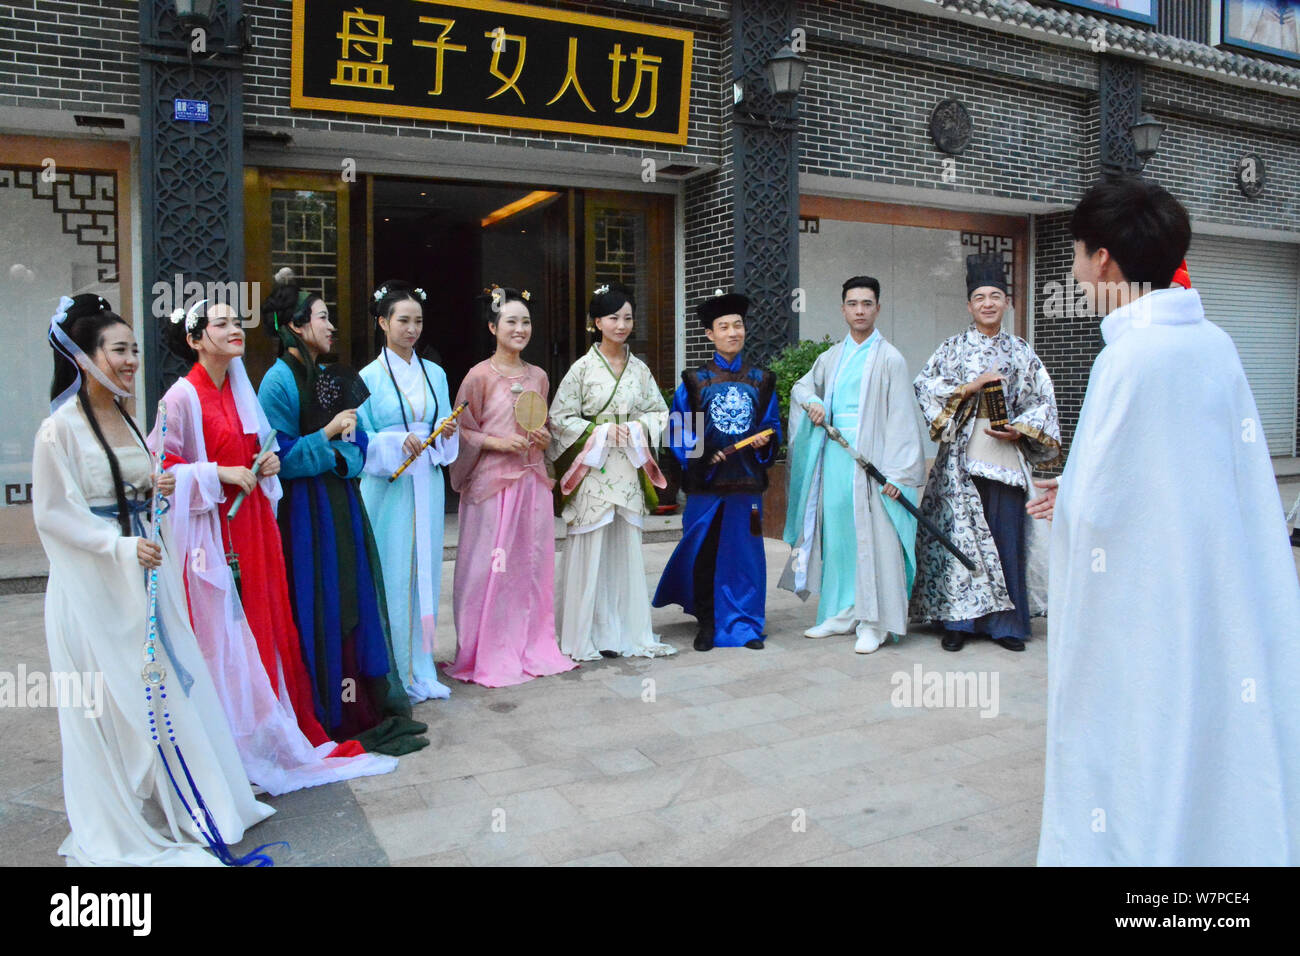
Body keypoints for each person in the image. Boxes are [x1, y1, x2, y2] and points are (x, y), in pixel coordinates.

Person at [1030, 176, 1300, 866]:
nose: (1075, 271)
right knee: (1206, 718)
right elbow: (1202, 476)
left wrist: (1078, 502)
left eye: (1078, 255)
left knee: (1141, 731)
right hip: (1210, 585)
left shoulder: (1128, 358)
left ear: (1107, 263)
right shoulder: (1214, 344)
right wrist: (1082, 487)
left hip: (1145, 603)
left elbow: (1110, 506)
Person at [33, 293, 273, 865]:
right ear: (83, 356)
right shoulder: (58, 429)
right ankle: (124, 809)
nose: (130, 360)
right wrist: (113, 545)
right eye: (118, 350)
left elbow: (141, 481)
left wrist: (154, 490)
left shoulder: (126, 415)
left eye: (133, 350)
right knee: (109, 703)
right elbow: (54, 514)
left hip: (145, 572)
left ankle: (188, 800)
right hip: (94, 584)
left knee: (167, 683)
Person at [154, 297, 396, 792]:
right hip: (210, 532)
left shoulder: (243, 390)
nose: (234, 329)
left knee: (265, 624)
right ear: (195, 339)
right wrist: (217, 472)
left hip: (256, 526)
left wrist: (265, 466)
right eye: (219, 324)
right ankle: (224, 740)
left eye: (235, 321)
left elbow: (271, 451)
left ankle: (265, 730)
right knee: (220, 634)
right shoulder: (180, 398)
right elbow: (161, 469)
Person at [257, 276, 428, 755]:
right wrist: (329, 436)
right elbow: (277, 456)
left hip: (341, 503)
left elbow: (361, 444)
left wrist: (340, 453)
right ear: (295, 325)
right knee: (317, 598)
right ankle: (323, 706)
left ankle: (355, 701)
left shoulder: (329, 376)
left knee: (349, 597)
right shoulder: (276, 381)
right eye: (322, 317)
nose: (331, 326)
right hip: (305, 514)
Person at [910, 253, 1060, 652]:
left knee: (1005, 537)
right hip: (961, 458)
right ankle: (958, 622)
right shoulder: (952, 348)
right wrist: (972, 387)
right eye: (980, 297)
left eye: (996, 295)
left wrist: (1020, 429)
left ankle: (1006, 625)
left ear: (1007, 302)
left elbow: (1043, 400)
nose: (988, 303)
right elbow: (925, 385)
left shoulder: (1022, 351)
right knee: (960, 539)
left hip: (1006, 456)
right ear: (969, 305)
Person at [781, 276, 927, 654]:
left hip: (874, 464)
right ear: (843, 308)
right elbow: (801, 387)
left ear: (877, 308)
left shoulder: (890, 358)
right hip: (835, 461)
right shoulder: (831, 357)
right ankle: (843, 611)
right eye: (852, 303)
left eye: (867, 303)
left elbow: (902, 421)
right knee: (842, 538)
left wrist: (899, 475)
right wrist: (814, 402)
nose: (859, 310)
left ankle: (874, 621)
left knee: (875, 540)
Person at [446, 287, 577, 686]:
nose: (520, 329)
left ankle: (528, 643)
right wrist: (499, 443)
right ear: (493, 327)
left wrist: (543, 439)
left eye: (526, 322)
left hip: (531, 483)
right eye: (511, 322)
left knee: (529, 567)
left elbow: (545, 426)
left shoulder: (538, 375)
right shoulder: (478, 376)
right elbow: (461, 431)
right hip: (491, 486)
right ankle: (483, 649)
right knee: (487, 569)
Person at [547, 283, 675, 662]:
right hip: (593, 467)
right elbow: (559, 418)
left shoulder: (640, 369)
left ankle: (624, 632)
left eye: (628, 317)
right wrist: (600, 430)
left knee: (624, 548)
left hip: (627, 465)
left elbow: (659, 412)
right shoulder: (582, 369)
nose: (621, 325)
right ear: (596, 322)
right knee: (590, 548)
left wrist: (636, 428)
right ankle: (583, 634)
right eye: (613, 317)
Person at [653, 291, 781, 651]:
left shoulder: (762, 380)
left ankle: (746, 624)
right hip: (707, 485)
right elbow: (680, 430)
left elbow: (772, 424)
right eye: (723, 327)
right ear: (709, 334)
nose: (732, 332)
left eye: (737, 325)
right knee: (704, 552)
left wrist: (765, 440)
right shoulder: (694, 382)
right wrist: (704, 454)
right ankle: (708, 622)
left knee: (746, 556)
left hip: (747, 484)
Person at [357, 281, 458, 702]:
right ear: (382, 322)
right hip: (389, 486)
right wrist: (395, 442)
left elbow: (446, 429)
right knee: (391, 572)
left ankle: (421, 663)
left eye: (417, 320)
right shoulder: (367, 377)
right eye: (403, 320)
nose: (411, 328)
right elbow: (359, 438)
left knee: (423, 571)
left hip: (426, 482)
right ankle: (390, 668)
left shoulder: (435, 373)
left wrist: (444, 434)